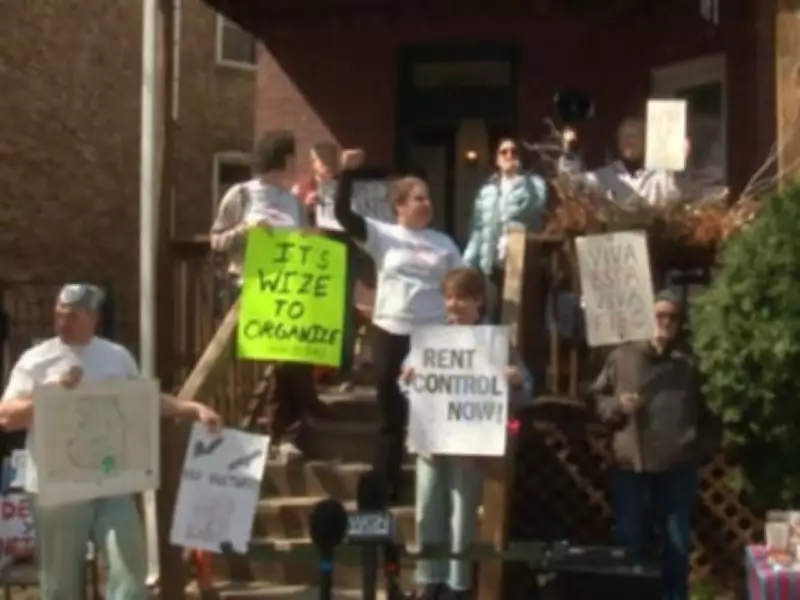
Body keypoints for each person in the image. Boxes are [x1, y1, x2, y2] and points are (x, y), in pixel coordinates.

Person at [0, 283, 222, 600]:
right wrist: (53, 392)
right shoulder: (35, 360)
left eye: (73, 316)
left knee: (129, 568)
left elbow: (143, 399)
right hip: (57, 489)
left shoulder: (116, 357)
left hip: (112, 481)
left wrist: (192, 408)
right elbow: (6, 417)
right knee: (61, 584)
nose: (63, 322)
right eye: (59, 314)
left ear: (94, 318)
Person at [333, 151, 463, 502]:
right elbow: (343, 215)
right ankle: (387, 487)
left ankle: (433, 489)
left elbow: (463, 283)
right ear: (400, 207)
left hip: (433, 336)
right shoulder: (382, 234)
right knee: (391, 415)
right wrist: (346, 173)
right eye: (419, 199)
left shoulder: (444, 243)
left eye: (428, 198)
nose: (427, 204)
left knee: (429, 413)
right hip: (391, 332)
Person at [400, 267, 533, 600]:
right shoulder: (431, 339)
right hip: (432, 442)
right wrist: (407, 379)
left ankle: (457, 585)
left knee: (462, 515)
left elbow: (527, 389)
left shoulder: (494, 341)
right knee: (427, 508)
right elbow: (406, 386)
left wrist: (516, 380)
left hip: (470, 444)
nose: (453, 304)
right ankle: (429, 580)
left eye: (461, 298)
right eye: (448, 297)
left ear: (478, 301)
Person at [587, 290, 719, 600]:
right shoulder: (623, 356)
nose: (667, 322)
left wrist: (699, 448)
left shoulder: (689, 361)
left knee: (677, 545)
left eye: (673, 317)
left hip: (677, 468)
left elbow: (711, 410)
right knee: (630, 542)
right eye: (660, 315)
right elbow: (595, 398)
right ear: (647, 317)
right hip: (630, 466)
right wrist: (618, 406)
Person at [209, 129, 320, 461]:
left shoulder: (294, 203)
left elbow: (303, 243)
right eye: (294, 157)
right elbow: (216, 240)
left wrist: (310, 239)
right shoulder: (241, 195)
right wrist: (246, 230)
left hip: (288, 292)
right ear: (285, 159)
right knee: (275, 362)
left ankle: (287, 433)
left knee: (289, 359)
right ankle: (292, 421)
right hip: (249, 289)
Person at [292, 142, 365, 389]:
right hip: (313, 256)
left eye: (325, 161)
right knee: (315, 311)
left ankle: (343, 367)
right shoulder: (302, 189)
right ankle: (317, 369)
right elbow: (290, 226)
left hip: (343, 253)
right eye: (317, 161)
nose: (322, 167)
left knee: (343, 311)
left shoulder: (346, 186)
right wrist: (305, 208)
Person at [462, 137, 547, 320]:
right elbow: (478, 230)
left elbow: (533, 206)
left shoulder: (534, 184)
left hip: (521, 261)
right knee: (490, 316)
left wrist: (521, 179)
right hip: (490, 262)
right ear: (496, 159)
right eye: (504, 152)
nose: (509, 155)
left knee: (517, 318)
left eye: (514, 152)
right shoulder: (486, 191)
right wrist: (467, 263)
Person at [558, 117, 688, 205]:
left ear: (646, 140)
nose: (628, 141)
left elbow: (676, 196)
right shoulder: (605, 176)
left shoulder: (661, 175)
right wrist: (569, 152)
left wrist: (679, 161)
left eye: (634, 136)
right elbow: (572, 184)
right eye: (624, 136)